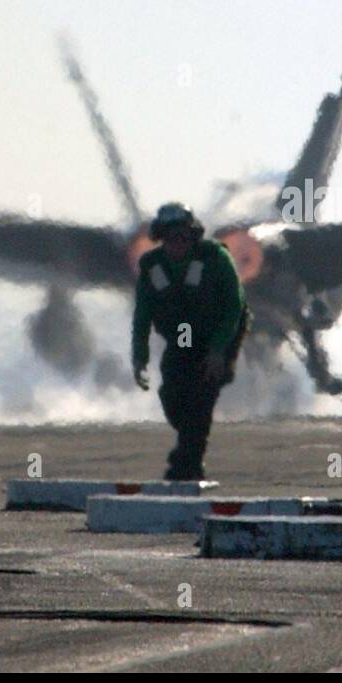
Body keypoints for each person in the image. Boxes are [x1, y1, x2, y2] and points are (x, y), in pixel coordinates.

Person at [131, 203, 247, 480]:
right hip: (183, 335)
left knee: (201, 394)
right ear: (161, 239)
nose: (177, 243)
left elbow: (234, 306)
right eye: (171, 238)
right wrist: (139, 357)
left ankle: (187, 465)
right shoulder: (152, 267)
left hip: (221, 331)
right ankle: (187, 448)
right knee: (173, 395)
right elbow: (143, 315)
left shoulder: (214, 258)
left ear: (192, 236)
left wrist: (219, 351)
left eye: (183, 236)